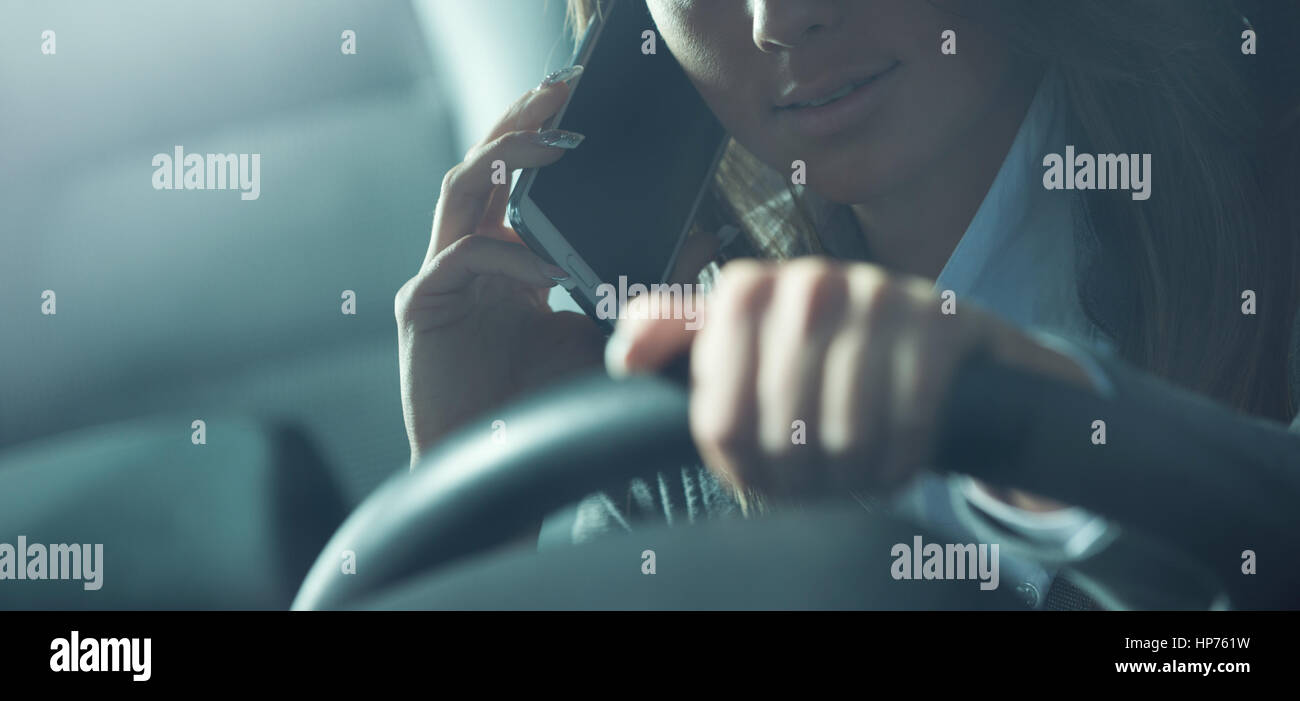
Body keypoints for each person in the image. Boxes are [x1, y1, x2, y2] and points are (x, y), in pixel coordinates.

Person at [394, 0, 1300, 609]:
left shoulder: (1271, 218)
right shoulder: (671, 387)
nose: (781, 19)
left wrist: (1065, 449)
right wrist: (471, 517)